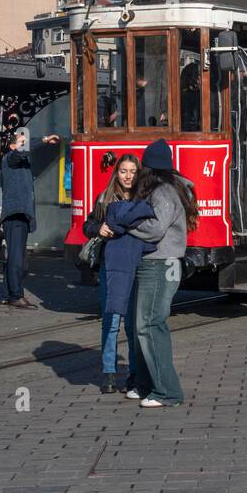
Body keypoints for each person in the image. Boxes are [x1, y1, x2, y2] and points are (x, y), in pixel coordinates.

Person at [120, 139, 198, 408]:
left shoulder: (163, 192)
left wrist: (126, 225)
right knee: (140, 324)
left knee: (150, 324)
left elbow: (154, 229)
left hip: (161, 264)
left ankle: (167, 392)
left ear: (149, 168)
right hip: (154, 263)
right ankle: (145, 384)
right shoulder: (165, 188)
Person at [82, 154, 153, 394]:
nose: (128, 176)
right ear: (116, 173)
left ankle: (133, 373)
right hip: (110, 266)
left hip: (135, 266)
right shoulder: (104, 199)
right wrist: (97, 228)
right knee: (111, 321)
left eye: (133, 171)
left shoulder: (144, 199)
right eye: (123, 171)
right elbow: (86, 225)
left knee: (133, 323)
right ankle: (109, 373)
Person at [0, 130, 62, 308]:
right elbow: (22, 151)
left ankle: (6, 294)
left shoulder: (21, 161)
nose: (25, 144)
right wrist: (44, 139)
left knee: (15, 258)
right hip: (15, 215)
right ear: (12, 146)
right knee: (17, 259)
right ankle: (16, 296)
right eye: (21, 142)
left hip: (21, 215)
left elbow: (24, 149)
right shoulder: (10, 158)